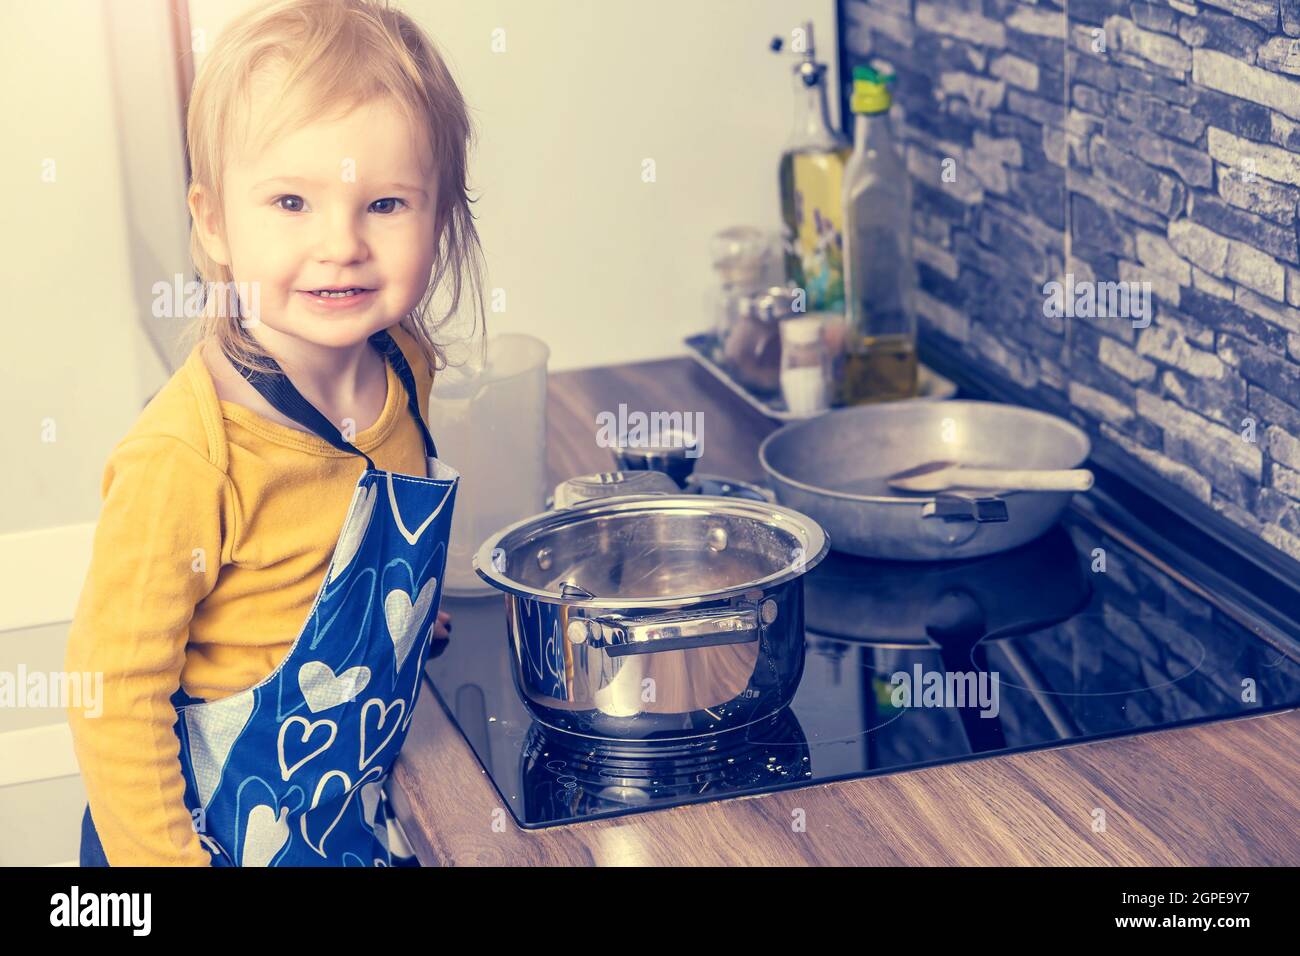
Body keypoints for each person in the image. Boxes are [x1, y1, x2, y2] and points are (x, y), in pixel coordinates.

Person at [65, 0, 485, 866]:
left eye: (386, 203)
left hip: (346, 809)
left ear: (439, 215)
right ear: (214, 222)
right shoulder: (186, 457)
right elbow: (111, 692)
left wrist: (402, 621)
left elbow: (349, 542)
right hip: (198, 838)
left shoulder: (405, 364)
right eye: (291, 201)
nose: (341, 243)